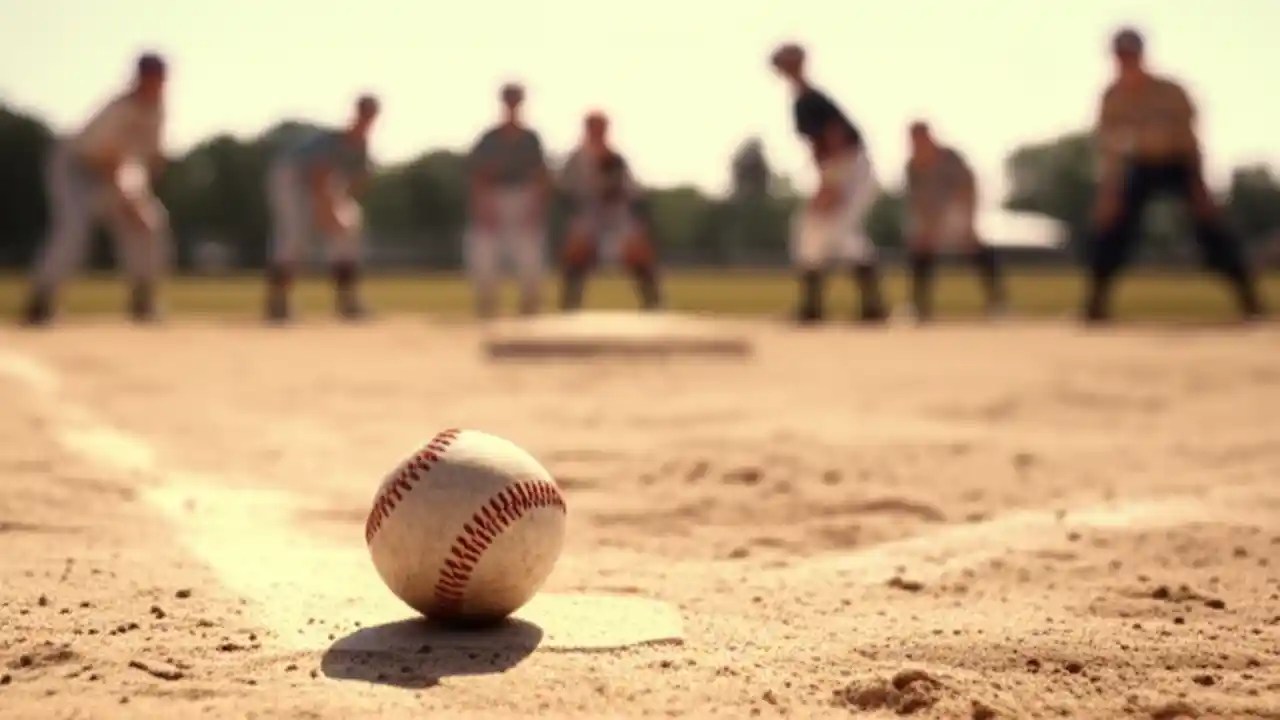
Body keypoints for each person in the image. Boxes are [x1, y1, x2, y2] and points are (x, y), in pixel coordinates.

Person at [1086, 27, 1264, 323]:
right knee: (1112, 231)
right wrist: (1109, 194)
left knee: (1211, 229)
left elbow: (1192, 140)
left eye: (1130, 54)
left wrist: (1199, 186)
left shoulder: (1170, 91)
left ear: (1141, 55)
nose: (1125, 61)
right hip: (1138, 166)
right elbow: (1110, 152)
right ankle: (1095, 305)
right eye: (1120, 55)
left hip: (1179, 164)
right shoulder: (1112, 97)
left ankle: (1250, 301)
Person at [21, 53, 171, 326]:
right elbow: (103, 158)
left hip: (117, 171)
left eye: (160, 77)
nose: (156, 83)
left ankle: (143, 299)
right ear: (139, 78)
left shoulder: (158, 110)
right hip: (75, 169)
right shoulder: (119, 108)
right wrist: (129, 200)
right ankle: (41, 301)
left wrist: (138, 196)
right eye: (151, 76)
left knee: (150, 223)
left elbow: (150, 158)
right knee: (74, 229)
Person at [770, 43, 888, 324]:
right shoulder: (802, 99)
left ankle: (866, 307)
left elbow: (835, 137)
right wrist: (826, 179)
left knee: (837, 229)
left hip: (850, 168)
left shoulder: (810, 99)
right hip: (841, 168)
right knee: (815, 231)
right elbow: (817, 145)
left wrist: (830, 183)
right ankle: (820, 307)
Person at [264, 95, 379, 322]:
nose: (366, 118)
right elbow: (318, 178)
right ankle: (278, 302)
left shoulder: (361, 149)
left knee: (349, 227)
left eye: (370, 114)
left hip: (324, 184)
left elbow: (356, 185)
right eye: (363, 112)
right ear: (356, 113)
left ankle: (347, 301)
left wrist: (337, 212)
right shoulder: (334, 142)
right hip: (290, 176)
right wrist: (326, 212)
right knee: (294, 235)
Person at [904, 121, 1007, 321]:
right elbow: (916, 201)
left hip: (956, 212)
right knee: (920, 251)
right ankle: (919, 307)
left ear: (929, 137)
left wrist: (969, 224)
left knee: (978, 253)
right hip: (930, 217)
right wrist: (925, 228)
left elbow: (967, 189)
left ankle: (998, 304)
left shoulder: (950, 158)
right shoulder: (912, 166)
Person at [558, 111, 661, 311]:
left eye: (601, 127)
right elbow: (565, 191)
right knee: (576, 250)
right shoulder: (576, 159)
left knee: (639, 251)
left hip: (617, 216)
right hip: (589, 214)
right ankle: (570, 305)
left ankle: (653, 304)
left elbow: (633, 193)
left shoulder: (616, 158)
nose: (598, 132)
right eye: (593, 127)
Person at [464, 83, 551, 317]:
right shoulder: (489, 138)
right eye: (509, 100)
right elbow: (478, 176)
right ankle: (487, 303)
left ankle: (529, 303)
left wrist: (536, 207)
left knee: (529, 251)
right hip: (494, 196)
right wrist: (482, 206)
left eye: (516, 100)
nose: (512, 104)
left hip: (524, 196)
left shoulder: (531, 138)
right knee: (483, 249)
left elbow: (541, 177)